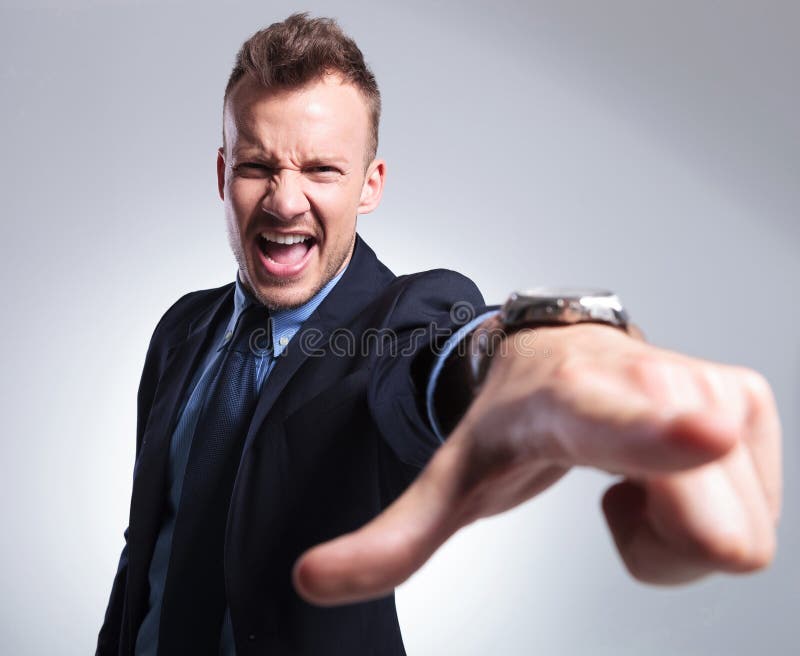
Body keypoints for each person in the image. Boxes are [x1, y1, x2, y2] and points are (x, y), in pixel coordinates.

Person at [96, 13, 782, 656]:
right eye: (257, 166)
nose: (284, 198)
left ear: (370, 185)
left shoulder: (398, 320)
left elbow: (448, 352)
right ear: (224, 174)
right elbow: (144, 547)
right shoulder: (181, 329)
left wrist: (543, 347)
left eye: (321, 169)